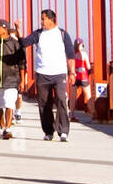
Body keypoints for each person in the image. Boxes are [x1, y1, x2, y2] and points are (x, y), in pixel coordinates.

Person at [15, 10, 76, 141]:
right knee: (44, 103)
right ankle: (49, 131)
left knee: (61, 99)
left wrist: (72, 72)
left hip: (59, 73)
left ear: (52, 20)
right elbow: (24, 43)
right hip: (42, 73)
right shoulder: (38, 34)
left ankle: (63, 131)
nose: (41, 22)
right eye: (41, 19)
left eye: (43, 19)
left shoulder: (63, 34)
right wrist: (18, 30)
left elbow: (70, 55)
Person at [71, 39, 94, 119]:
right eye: (82, 45)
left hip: (75, 76)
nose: (83, 47)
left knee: (73, 97)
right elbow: (88, 66)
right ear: (80, 46)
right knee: (88, 96)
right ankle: (93, 114)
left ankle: (72, 115)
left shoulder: (72, 54)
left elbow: (69, 66)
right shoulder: (84, 54)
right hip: (83, 76)